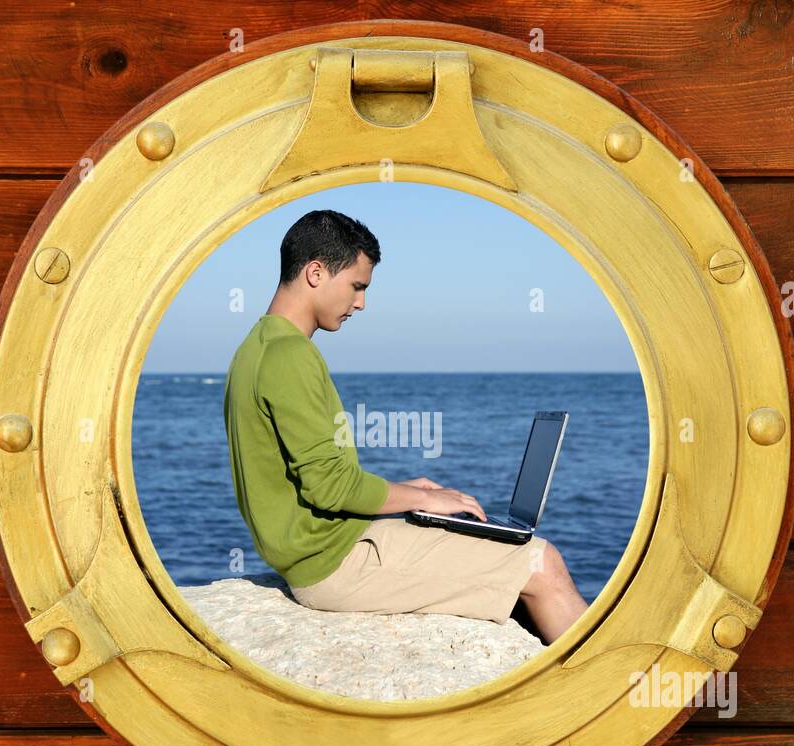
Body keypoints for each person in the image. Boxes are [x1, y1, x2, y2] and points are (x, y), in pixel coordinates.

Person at [222, 209, 589, 645]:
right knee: (541, 563)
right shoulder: (289, 356)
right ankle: (609, 699)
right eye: (357, 286)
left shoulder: (256, 348)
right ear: (316, 273)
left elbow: (315, 479)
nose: (361, 303)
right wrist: (422, 499)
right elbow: (329, 488)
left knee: (505, 563)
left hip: (331, 546)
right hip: (336, 564)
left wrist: (408, 491)